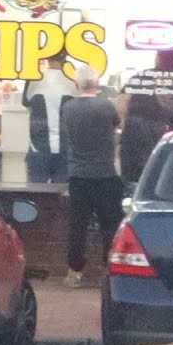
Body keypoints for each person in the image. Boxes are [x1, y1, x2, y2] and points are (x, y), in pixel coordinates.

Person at [61, 65, 124, 287]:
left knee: (78, 225)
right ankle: (109, 268)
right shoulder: (107, 107)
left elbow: (67, 135)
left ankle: (74, 271)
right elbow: (117, 129)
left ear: (77, 84)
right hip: (106, 174)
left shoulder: (68, 108)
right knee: (110, 224)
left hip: (78, 175)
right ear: (97, 84)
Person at [23, 50, 76, 182]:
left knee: (36, 192)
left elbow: (26, 102)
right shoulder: (73, 79)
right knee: (63, 193)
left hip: (38, 145)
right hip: (66, 144)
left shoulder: (35, 77)